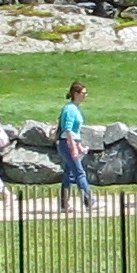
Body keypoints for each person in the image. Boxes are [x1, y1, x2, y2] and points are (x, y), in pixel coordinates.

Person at [55, 81, 93, 211]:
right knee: (79, 172)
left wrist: (79, 145)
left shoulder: (75, 108)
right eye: (83, 93)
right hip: (67, 143)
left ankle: (64, 204)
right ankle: (90, 201)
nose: (85, 95)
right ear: (76, 94)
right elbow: (68, 129)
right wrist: (73, 147)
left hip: (70, 142)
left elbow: (75, 132)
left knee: (68, 173)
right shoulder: (70, 109)